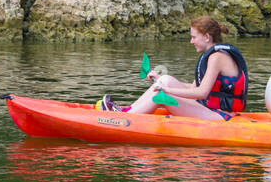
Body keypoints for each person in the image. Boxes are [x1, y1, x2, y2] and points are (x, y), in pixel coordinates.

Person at [97, 16, 249, 120]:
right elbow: (194, 87)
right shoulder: (213, 55)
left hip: (219, 116)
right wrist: (160, 81)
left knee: (161, 95)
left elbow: (201, 93)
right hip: (209, 109)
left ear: (207, 37)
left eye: (194, 37)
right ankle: (127, 111)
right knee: (165, 79)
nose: (191, 41)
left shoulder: (217, 57)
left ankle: (124, 118)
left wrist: (167, 91)